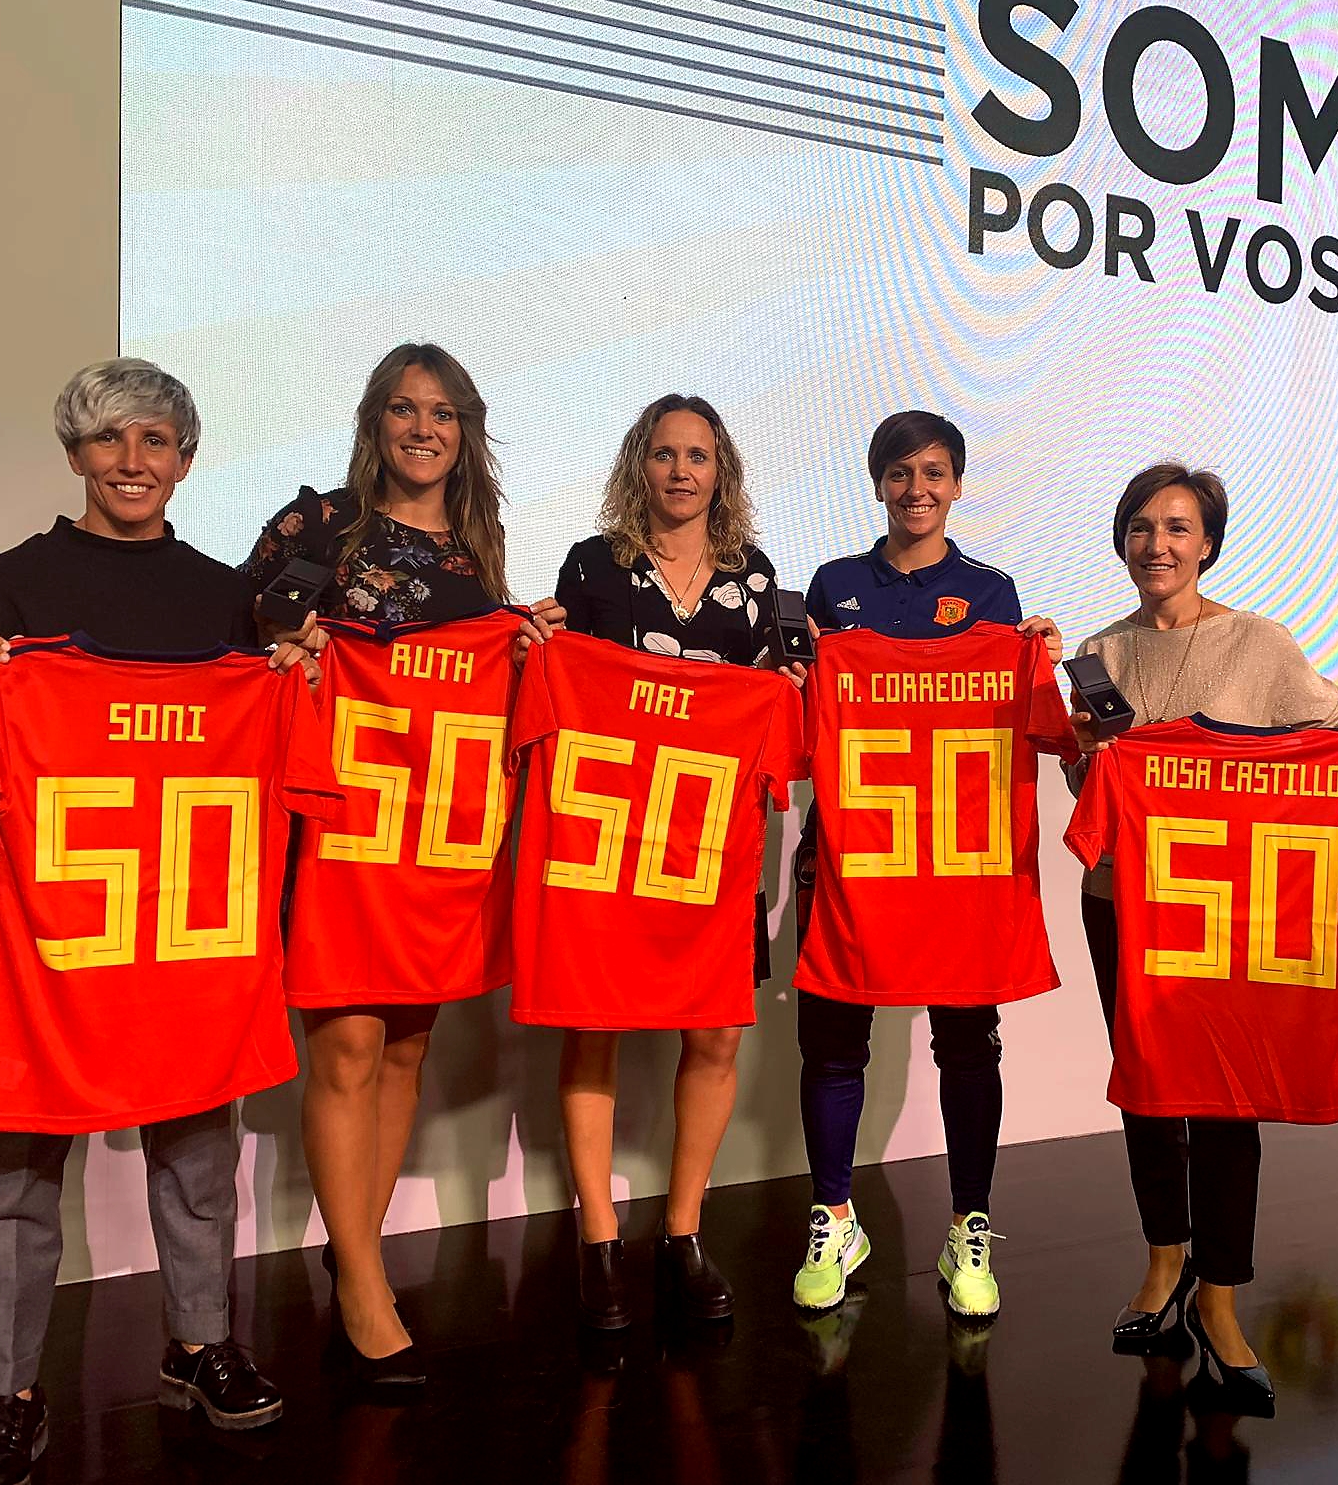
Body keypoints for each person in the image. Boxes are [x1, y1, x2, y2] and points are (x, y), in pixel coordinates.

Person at [0, 359, 306, 1485]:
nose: (131, 463)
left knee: (199, 1140)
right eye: (107, 442)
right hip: (55, 926)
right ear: (74, 455)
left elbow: (264, 746)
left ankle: (200, 1345)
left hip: (192, 920)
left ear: (186, 458)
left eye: (154, 441)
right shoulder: (6, 583)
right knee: (17, 1150)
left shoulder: (223, 595)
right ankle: (8, 1391)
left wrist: (291, 675)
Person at [242, 343, 560, 1386]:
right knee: (343, 1045)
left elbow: (486, 693)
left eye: (442, 413)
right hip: (336, 832)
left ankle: (356, 1254)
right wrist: (284, 652)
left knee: (404, 1050)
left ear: (464, 430)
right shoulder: (316, 526)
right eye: (401, 410)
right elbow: (236, 645)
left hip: (439, 843)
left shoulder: (479, 549)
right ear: (373, 421)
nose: (422, 429)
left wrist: (524, 653)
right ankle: (368, 1290)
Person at [1068, 462, 1338, 1402]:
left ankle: (1220, 1294)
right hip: (1122, 907)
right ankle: (1163, 1263)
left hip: (1225, 922)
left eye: (1176, 527)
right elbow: (1087, 799)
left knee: (1226, 1098)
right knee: (1146, 1089)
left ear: (1207, 542)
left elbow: (1337, 727)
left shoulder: (1260, 645)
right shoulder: (1096, 653)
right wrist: (1089, 761)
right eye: (1139, 527)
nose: (1155, 545)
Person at [790, 410, 1064, 1320]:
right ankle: (834, 1213)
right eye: (901, 473)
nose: (918, 490)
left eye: (935, 473)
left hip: (957, 859)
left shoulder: (992, 593)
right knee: (834, 1040)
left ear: (957, 484)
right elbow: (801, 716)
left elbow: (1022, 716)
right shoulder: (831, 586)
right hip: (850, 852)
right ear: (877, 484)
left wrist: (1037, 662)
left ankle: (969, 1224)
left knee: (965, 1040)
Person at [551, 392, 802, 1327]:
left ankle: (684, 1232)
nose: (681, 471)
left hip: (717, 845)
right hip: (608, 842)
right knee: (595, 1025)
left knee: (717, 1035)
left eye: (699, 456)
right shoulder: (592, 568)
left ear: (720, 471)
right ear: (638, 465)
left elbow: (780, 705)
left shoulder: (757, 576)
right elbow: (562, 686)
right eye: (664, 454)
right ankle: (599, 1240)